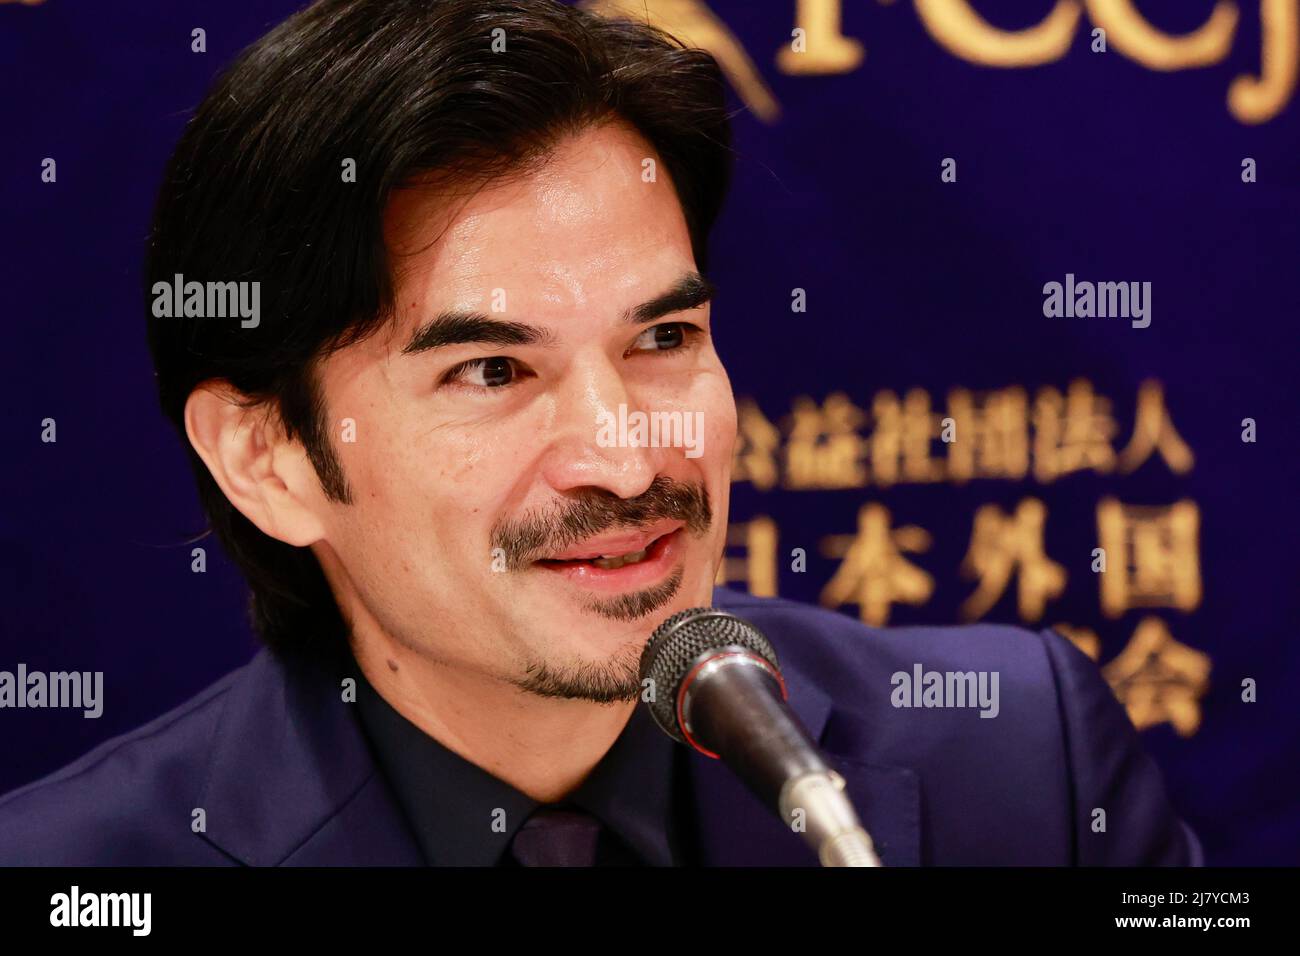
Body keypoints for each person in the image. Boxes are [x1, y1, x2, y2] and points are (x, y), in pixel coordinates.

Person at [0, 0, 1200, 866]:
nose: (626, 458)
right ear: (265, 458)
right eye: (491, 369)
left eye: (662, 338)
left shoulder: (1019, 760)